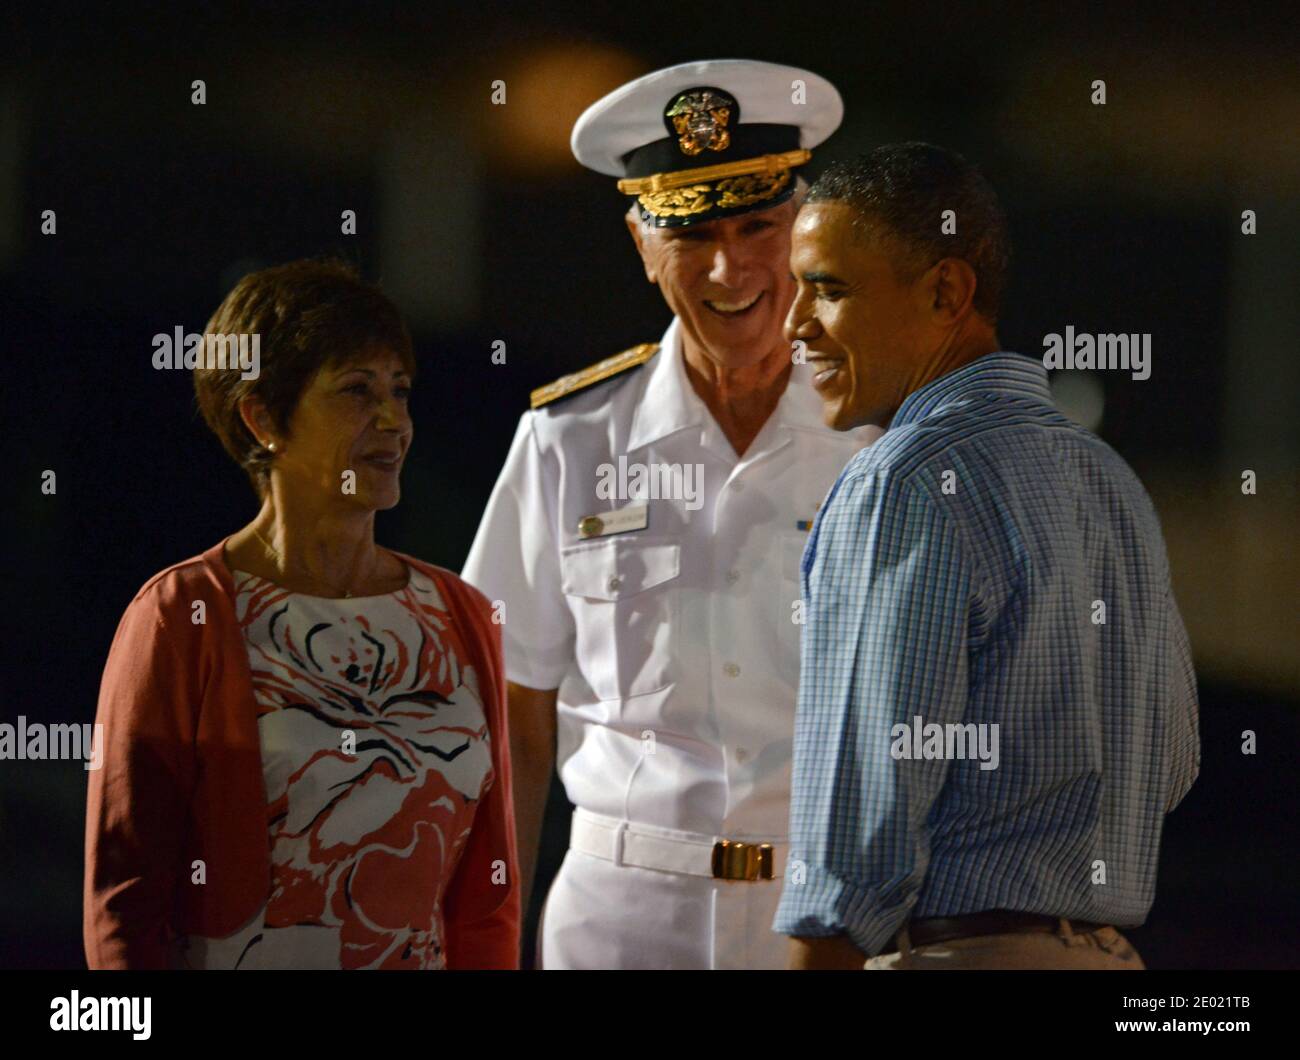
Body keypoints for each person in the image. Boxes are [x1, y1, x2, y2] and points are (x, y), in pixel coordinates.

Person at [462, 60, 877, 969]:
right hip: (618, 915)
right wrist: (482, 942)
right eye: (691, 234)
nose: (731, 267)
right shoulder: (567, 441)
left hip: (830, 918)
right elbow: (512, 717)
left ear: (805, 230)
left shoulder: (881, 436)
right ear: (642, 244)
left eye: (758, 224)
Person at [773, 143, 1201, 970]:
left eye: (828, 288)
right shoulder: (1108, 476)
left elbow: (865, 814)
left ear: (946, 291)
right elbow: (1171, 757)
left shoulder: (901, 478)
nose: (796, 322)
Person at [84, 258, 520, 969]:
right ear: (263, 419)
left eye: (399, 391)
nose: (393, 422)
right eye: (356, 390)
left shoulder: (460, 614)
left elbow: (486, 903)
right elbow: (124, 901)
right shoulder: (182, 614)